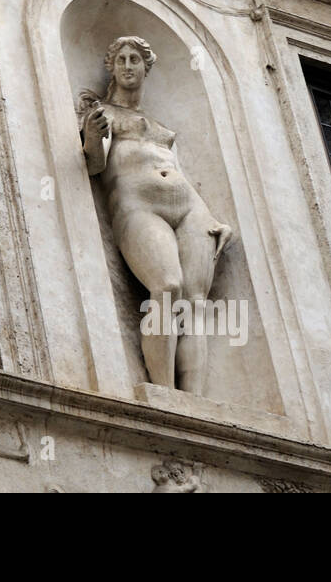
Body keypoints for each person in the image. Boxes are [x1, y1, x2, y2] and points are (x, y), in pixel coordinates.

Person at [82, 36, 231, 395]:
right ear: (113, 68)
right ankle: (165, 393)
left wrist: (212, 217)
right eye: (122, 60)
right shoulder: (103, 115)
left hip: (190, 210)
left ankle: (195, 402)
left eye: (135, 60)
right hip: (139, 207)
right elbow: (95, 164)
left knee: (195, 304)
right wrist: (89, 138)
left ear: (146, 68)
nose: (129, 66)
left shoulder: (161, 127)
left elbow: (177, 171)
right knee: (166, 286)